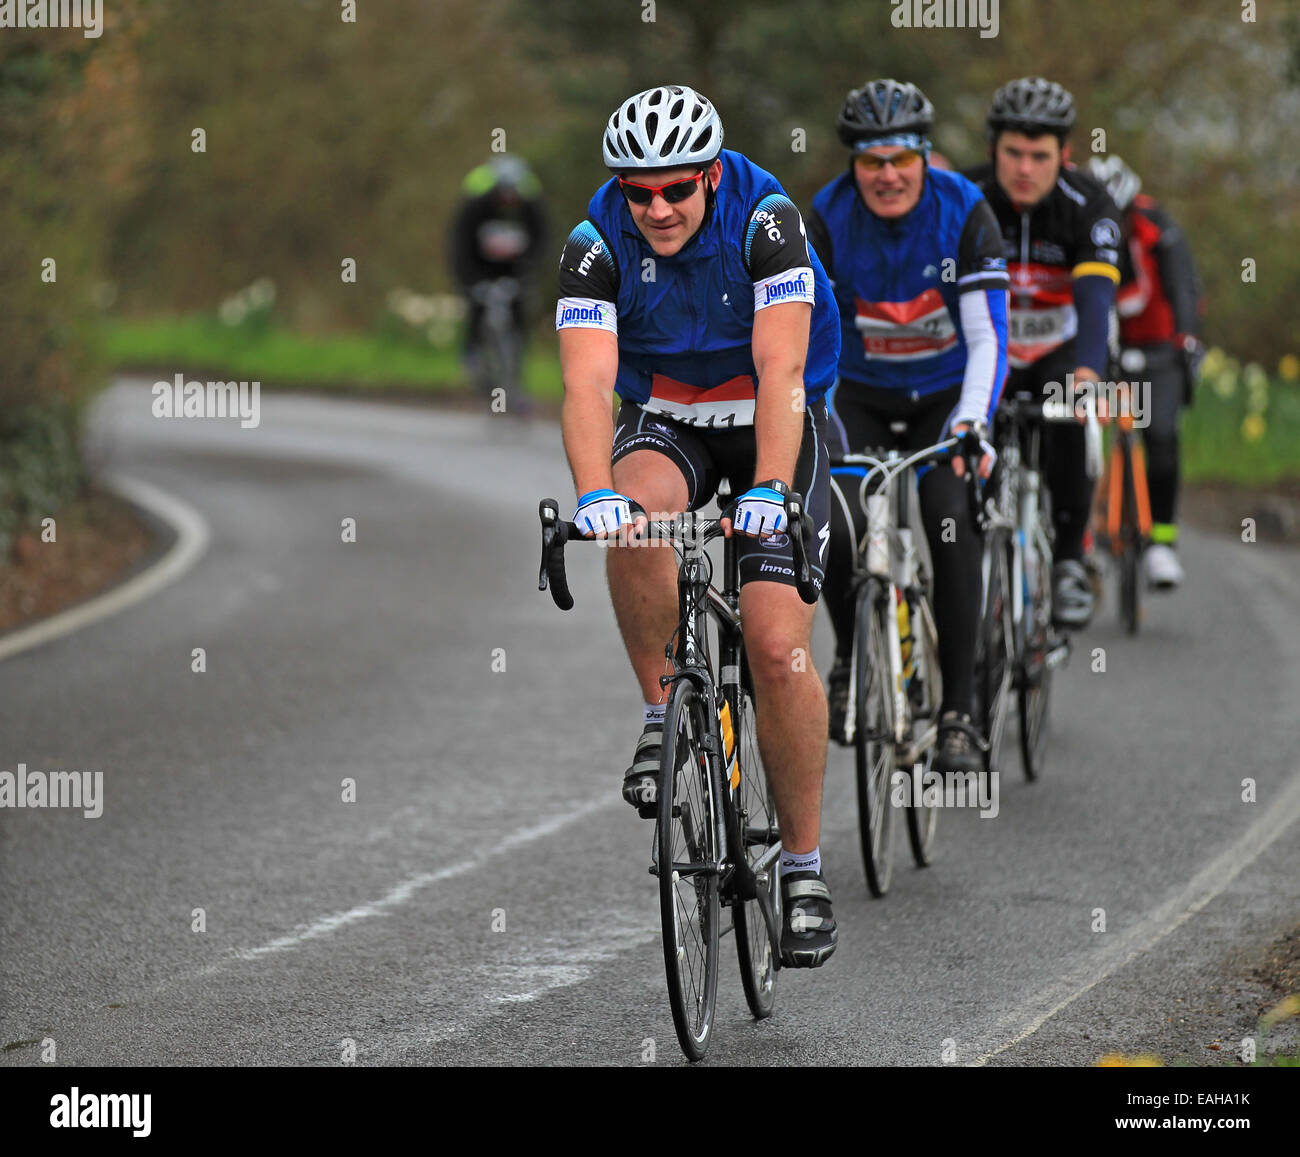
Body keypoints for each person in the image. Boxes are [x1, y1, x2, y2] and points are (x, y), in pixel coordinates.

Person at [555, 85, 842, 966]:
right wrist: (594, 493)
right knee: (634, 515)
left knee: (776, 646)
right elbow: (585, 386)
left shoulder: (768, 222)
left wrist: (765, 489)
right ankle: (658, 711)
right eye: (639, 193)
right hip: (671, 416)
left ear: (711, 176)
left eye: (675, 190)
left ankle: (803, 869)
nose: (657, 209)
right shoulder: (594, 243)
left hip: (771, 414)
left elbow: (782, 366)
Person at [808, 79, 1009, 776]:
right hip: (858, 394)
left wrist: (972, 423)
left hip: (944, 397)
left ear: (925, 156)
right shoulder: (827, 218)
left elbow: (988, 336)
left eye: (900, 158)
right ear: (852, 166)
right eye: (870, 161)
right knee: (835, 510)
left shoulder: (965, 212)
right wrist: (821, 425)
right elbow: (812, 340)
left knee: (949, 514)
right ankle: (846, 656)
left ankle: (957, 711)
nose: (887, 175)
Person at [963, 77, 1123, 628]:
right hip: (992, 349)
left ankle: (1070, 563)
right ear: (993, 151)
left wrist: (1086, 374)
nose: (1024, 168)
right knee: (962, 433)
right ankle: (965, 553)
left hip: (1058, 349)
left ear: (1065, 156)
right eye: (1013, 153)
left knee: (1071, 415)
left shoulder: (1090, 205)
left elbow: (1096, 300)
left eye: (1039, 155)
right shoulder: (966, 196)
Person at [1088, 154, 1204, 589]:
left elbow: (1183, 286)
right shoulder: (1079, 227)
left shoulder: (1158, 227)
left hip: (1157, 347)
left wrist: (1187, 338)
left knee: (1160, 434)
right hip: (1104, 346)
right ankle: (1082, 535)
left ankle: (1161, 543)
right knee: (1070, 428)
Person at [449, 155, 548, 403]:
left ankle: (516, 375)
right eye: (503, 191)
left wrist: (526, 278)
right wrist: (470, 282)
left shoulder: (530, 210)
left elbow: (541, 244)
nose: (508, 198)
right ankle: (473, 358)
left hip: (514, 275)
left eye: (513, 192)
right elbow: (460, 247)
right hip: (480, 273)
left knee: (518, 318)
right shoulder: (475, 209)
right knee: (477, 311)